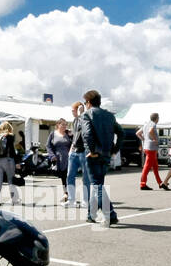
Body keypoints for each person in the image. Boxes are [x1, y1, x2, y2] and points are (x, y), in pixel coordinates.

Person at [76, 89, 119, 225]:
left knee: (96, 186)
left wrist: (93, 150)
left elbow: (87, 134)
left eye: (85, 102)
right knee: (97, 184)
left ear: (88, 102)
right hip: (106, 155)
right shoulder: (110, 116)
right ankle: (91, 214)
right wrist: (114, 150)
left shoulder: (86, 115)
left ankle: (110, 214)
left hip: (93, 155)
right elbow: (122, 133)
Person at [66, 102, 91, 207]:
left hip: (84, 151)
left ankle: (86, 201)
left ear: (79, 109)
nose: (72, 112)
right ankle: (71, 200)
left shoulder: (85, 118)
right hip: (74, 151)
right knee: (70, 176)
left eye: (73, 110)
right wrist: (71, 150)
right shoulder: (74, 121)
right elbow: (75, 136)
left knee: (85, 177)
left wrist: (82, 113)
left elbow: (84, 129)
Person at [0, 121, 21, 204]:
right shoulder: (9, 136)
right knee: (11, 179)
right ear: (9, 128)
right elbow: (12, 150)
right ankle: (14, 199)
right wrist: (17, 162)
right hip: (8, 160)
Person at [137, 112, 163, 190]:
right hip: (151, 148)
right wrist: (154, 139)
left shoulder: (146, 124)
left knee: (155, 166)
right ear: (157, 118)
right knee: (147, 166)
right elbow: (151, 131)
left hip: (147, 147)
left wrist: (144, 140)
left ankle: (160, 182)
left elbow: (138, 133)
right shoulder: (153, 124)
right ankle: (143, 184)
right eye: (158, 118)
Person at [46, 119, 72, 190]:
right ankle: (66, 193)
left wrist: (71, 136)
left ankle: (67, 194)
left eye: (65, 124)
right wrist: (52, 155)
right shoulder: (53, 134)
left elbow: (73, 143)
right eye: (63, 124)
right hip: (58, 159)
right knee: (63, 177)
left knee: (68, 177)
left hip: (68, 158)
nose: (64, 126)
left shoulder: (68, 134)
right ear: (58, 125)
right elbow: (48, 146)